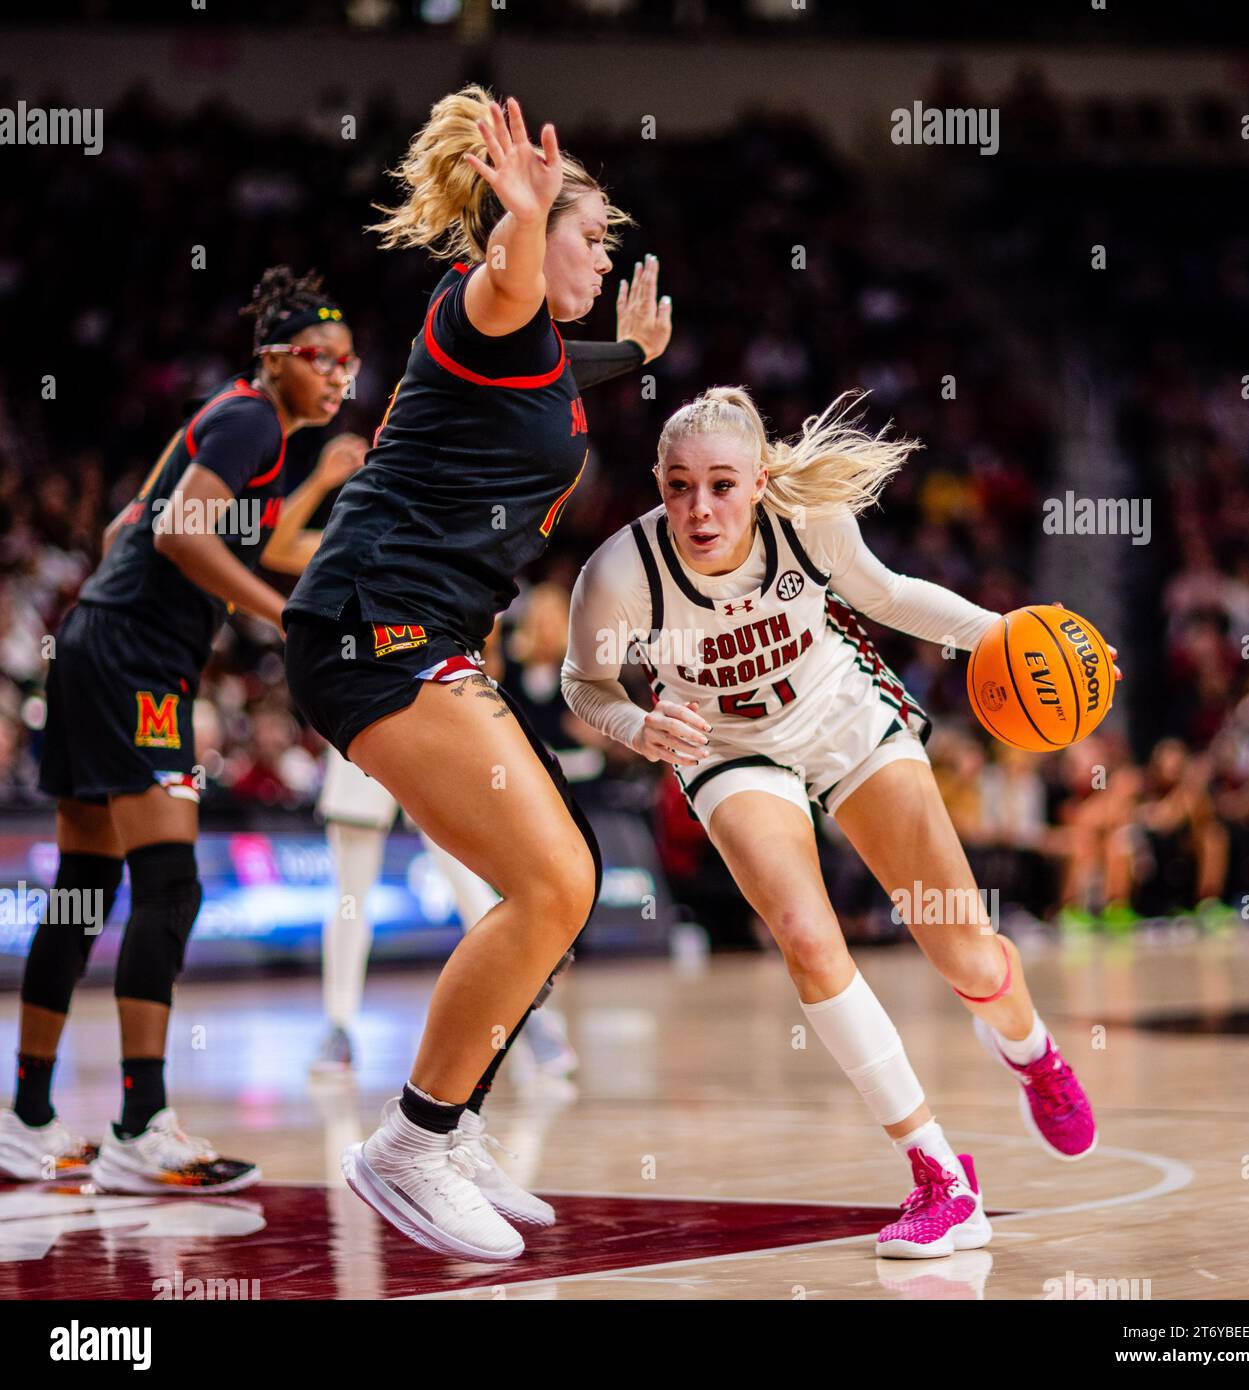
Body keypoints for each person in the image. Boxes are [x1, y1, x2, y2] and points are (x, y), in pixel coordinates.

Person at [562, 385, 1118, 1257]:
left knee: (965, 950)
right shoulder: (619, 576)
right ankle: (940, 1175)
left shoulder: (808, 520)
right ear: (658, 485)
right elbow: (584, 687)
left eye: (721, 485)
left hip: (840, 713)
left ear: (758, 481)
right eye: (678, 486)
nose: (699, 508)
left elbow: (889, 596)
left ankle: (1033, 1050)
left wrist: (1015, 634)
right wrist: (638, 724)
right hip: (724, 742)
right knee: (807, 937)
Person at [281, 88, 671, 1260]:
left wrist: (637, 353)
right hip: (372, 627)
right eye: (589, 233)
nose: (605, 254)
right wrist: (518, 217)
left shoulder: (542, 355)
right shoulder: (479, 303)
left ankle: (446, 1131)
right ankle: (409, 1141)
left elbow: (562, 361)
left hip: (421, 633)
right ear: (530, 229)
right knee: (552, 884)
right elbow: (506, 288)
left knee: (560, 881)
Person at [0, 267, 366, 1194]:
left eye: (349, 366)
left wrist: (319, 488)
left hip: (95, 645)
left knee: (85, 886)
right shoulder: (246, 419)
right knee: (168, 887)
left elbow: (150, 518)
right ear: (275, 358)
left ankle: (26, 1114)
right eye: (321, 360)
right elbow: (176, 534)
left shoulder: (245, 428)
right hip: (131, 661)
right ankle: (139, 1123)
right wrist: (276, 615)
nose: (336, 378)